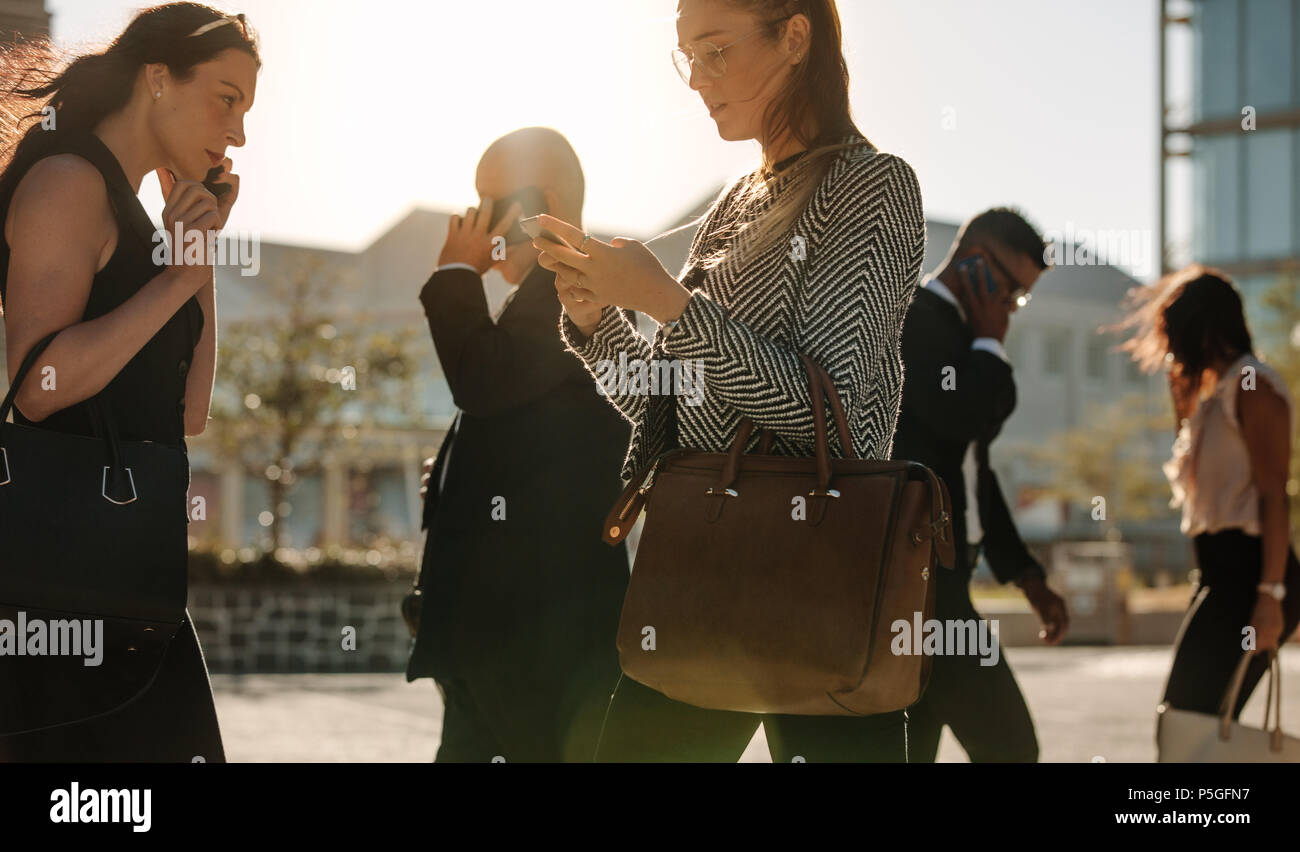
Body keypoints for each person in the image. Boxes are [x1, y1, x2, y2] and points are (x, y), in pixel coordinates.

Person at [533, 0, 926, 762]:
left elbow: (826, 416)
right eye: (687, 57)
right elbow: (675, 412)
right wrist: (596, 324)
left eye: (714, 50)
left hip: (822, 578)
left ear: (795, 37)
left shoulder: (872, 185)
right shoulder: (736, 200)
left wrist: (664, 300)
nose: (696, 79)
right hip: (703, 572)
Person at [0, 3, 258, 762]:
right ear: (157, 79)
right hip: (63, 604)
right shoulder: (67, 181)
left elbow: (191, 410)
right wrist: (175, 280)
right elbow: (37, 384)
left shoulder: (144, 217)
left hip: (131, 592)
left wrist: (196, 249)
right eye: (227, 97)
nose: (238, 132)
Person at [405, 127, 632, 763]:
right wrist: (460, 476)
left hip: (535, 632)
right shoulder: (537, 297)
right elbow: (520, 422)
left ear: (545, 201)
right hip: (504, 632)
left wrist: (455, 271)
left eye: (489, 200)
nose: (475, 218)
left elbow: (483, 380)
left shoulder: (577, 287)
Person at [892, 208, 1070, 763]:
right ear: (974, 262)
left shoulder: (967, 338)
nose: (1011, 309)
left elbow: (974, 472)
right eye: (1012, 290)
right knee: (1011, 747)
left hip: (945, 579)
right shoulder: (914, 320)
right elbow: (961, 418)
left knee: (909, 750)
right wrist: (991, 342)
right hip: (916, 583)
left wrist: (1025, 576)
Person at [1117, 265, 1300, 726]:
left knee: (1191, 725)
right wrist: (1183, 397)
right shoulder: (1216, 395)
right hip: (1220, 575)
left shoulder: (1253, 385)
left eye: (1177, 334)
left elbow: (1274, 497)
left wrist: (1271, 596)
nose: (1171, 349)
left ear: (1208, 329)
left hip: (1253, 577)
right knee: (1188, 724)